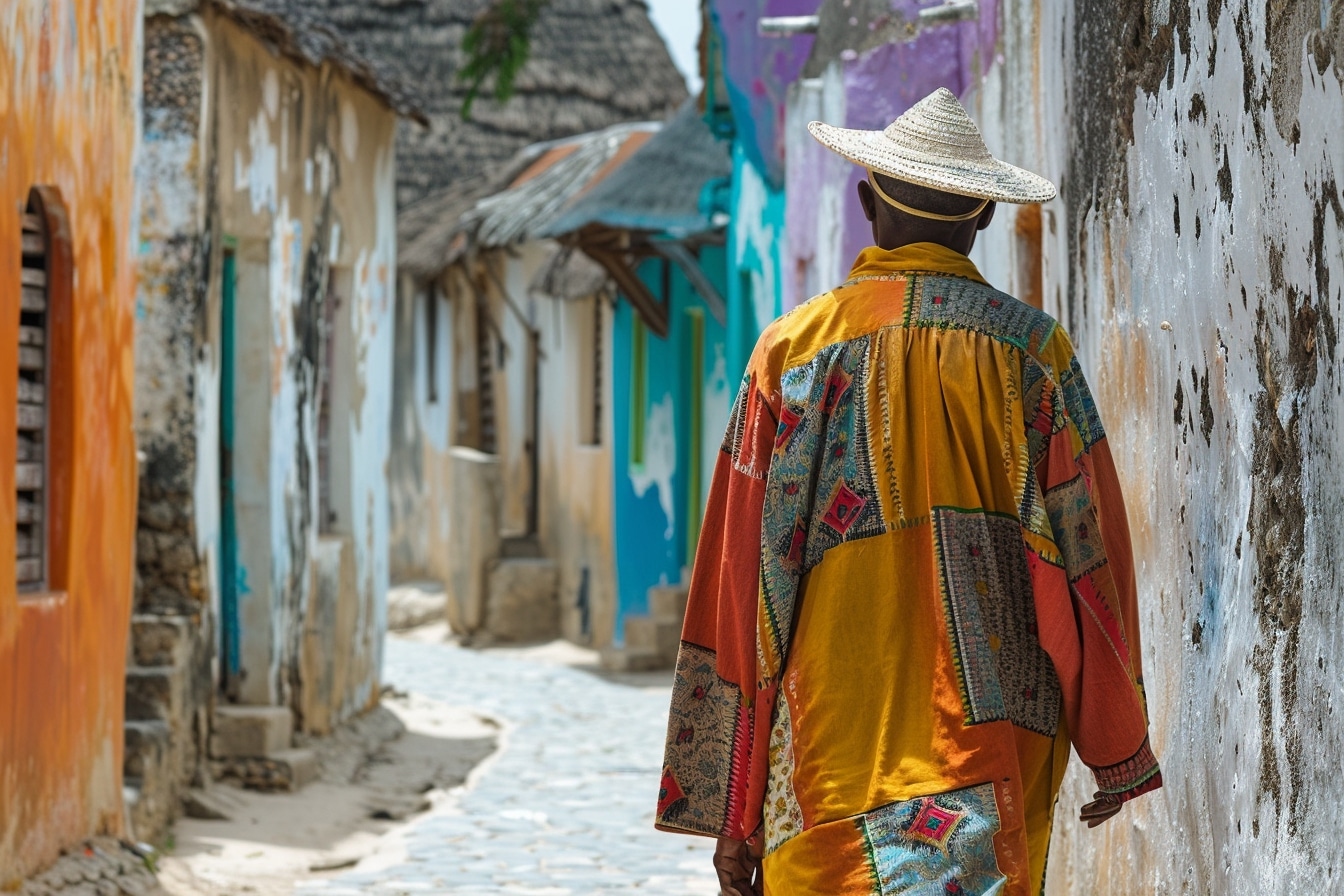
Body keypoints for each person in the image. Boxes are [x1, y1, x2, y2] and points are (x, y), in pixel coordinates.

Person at [654, 88, 1161, 896]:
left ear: (865, 203)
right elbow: (1091, 560)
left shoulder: (787, 355)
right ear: (985, 218)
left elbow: (736, 586)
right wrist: (1117, 748)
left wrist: (732, 811)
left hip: (825, 747)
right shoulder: (1034, 354)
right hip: (993, 745)